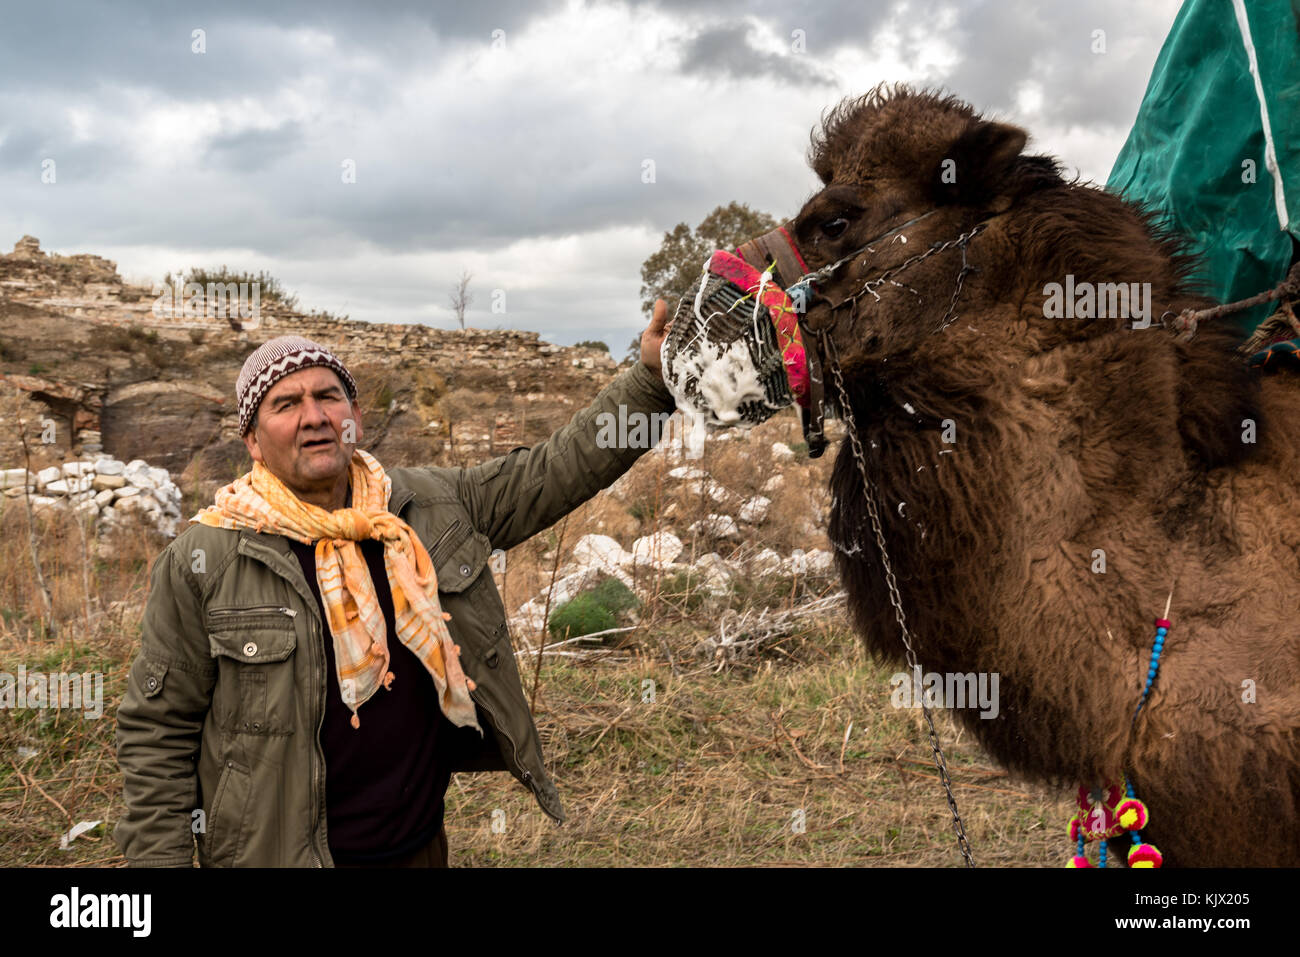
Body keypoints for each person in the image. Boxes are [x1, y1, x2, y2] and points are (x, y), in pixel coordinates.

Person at [114, 302, 676, 867]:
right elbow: (158, 734)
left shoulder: (426, 508)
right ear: (253, 442)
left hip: (417, 849)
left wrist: (650, 382)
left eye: (328, 397)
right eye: (285, 404)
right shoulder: (205, 557)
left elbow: (554, 470)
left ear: (355, 415)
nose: (313, 417)